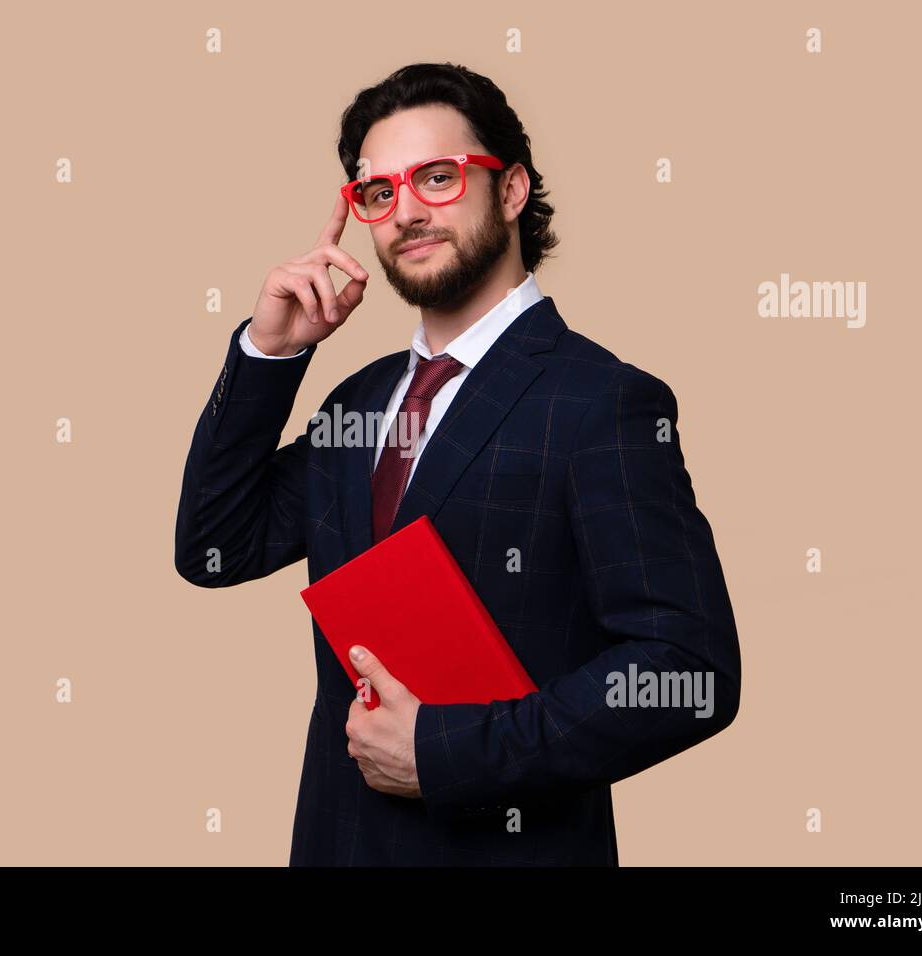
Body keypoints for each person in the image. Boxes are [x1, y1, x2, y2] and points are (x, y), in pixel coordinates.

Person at [175, 62, 741, 866]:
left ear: (511, 191)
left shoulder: (602, 403)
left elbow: (690, 674)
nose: (405, 211)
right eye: (379, 192)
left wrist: (447, 752)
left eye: (437, 178)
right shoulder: (357, 403)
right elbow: (212, 548)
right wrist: (269, 353)